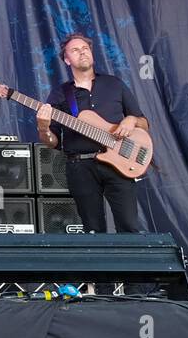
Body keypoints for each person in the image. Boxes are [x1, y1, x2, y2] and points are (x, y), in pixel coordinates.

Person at [36, 32, 147, 233]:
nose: (82, 52)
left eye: (85, 48)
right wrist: (43, 127)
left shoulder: (114, 84)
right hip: (80, 166)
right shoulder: (60, 94)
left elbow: (143, 123)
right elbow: (51, 141)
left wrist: (131, 120)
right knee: (93, 230)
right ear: (67, 59)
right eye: (75, 50)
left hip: (119, 163)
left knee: (129, 226)